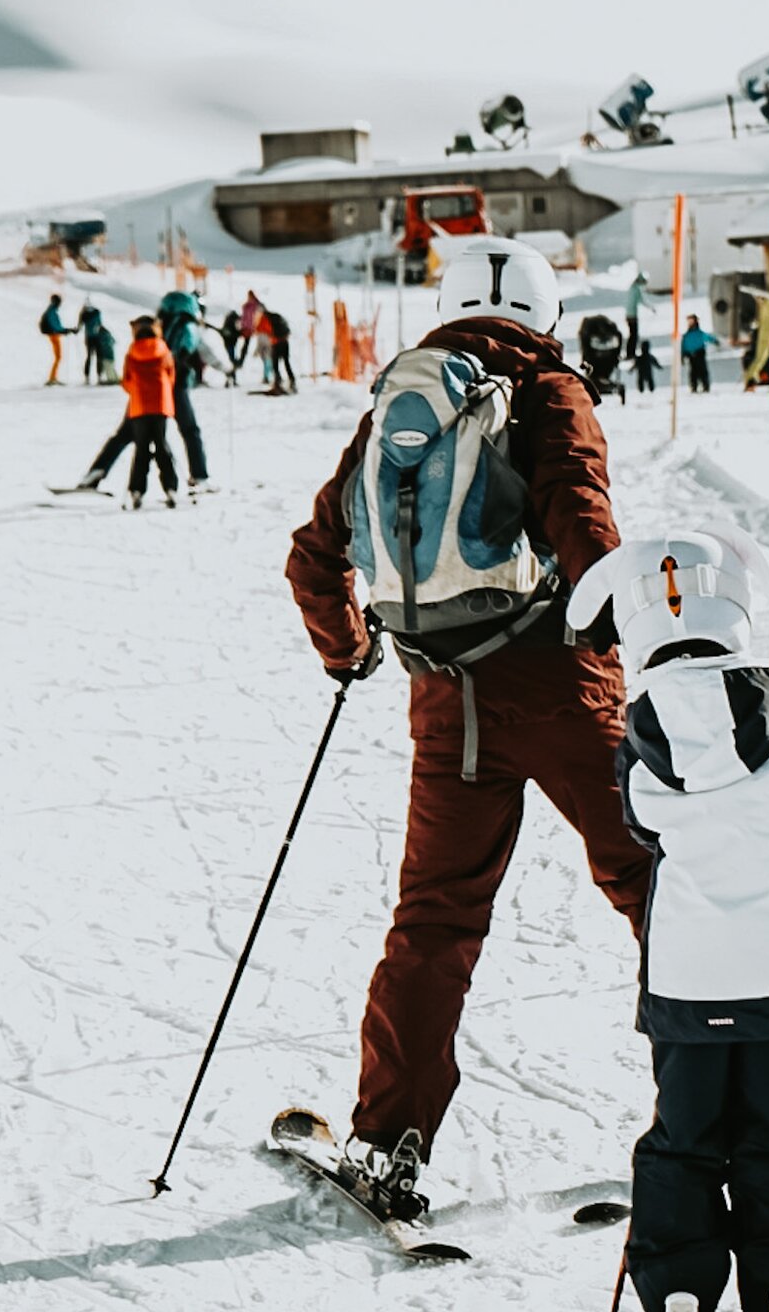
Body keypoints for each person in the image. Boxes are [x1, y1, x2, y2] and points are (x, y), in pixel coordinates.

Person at [284, 236, 652, 1217]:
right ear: (546, 315)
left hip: (448, 708)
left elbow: (314, 555)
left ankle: (384, 1143)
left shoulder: (398, 403)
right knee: (659, 881)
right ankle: (731, 1104)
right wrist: (635, 628)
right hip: (562, 690)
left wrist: (348, 646)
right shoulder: (544, 386)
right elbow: (578, 513)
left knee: (434, 921)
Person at [566, 526, 769, 1312]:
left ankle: (676, 1285)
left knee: (685, 1129)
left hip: (683, 975)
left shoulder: (639, 735)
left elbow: (641, 828)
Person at [121, 316, 179, 509]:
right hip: (161, 403)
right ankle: (171, 487)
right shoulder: (163, 349)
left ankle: (137, 489)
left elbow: (126, 381)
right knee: (162, 445)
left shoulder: (132, 352)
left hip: (139, 405)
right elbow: (171, 376)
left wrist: (136, 390)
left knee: (141, 448)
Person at [158, 290, 213, 489]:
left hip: (155, 383)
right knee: (191, 431)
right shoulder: (188, 326)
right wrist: (227, 369)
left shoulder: (163, 323)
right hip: (177, 384)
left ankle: (99, 471)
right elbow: (203, 350)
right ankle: (199, 475)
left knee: (137, 431)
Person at [40, 294, 73, 385]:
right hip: (54, 335)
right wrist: (64, 331)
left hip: (54, 335)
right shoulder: (52, 312)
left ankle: (53, 377)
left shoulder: (51, 310)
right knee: (58, 357)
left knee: (58, 357)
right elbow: (56, 326)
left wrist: (64, 331)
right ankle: (52, 378)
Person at [679, 314, 717, 394]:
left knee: (702, 371)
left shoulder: (699, 333)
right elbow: (683, 345)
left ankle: (705, 386)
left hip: (700, 353)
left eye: (691, 320)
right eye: (688, 321)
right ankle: (694, 387)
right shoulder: (686, 335)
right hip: (691, 355)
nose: (689, 322)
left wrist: (715, 341)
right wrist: (682, 356)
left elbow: (707, 337)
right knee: (693, 372)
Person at [268, 310, 297, 393]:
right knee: (286, 362)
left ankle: (278, 382)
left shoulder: (268, 319)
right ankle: (292, 380)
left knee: (275, 363)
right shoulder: (278, 318)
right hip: (285, 342)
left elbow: (265, 330)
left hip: (276, 343)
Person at [77, 301, 105, 385]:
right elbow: (100, 324)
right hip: (97, 337)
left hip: (89, 338)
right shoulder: (97, 312)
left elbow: (79, 327)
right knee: (99, 356)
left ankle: (87, 378)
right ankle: (99, 377)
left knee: (89, 357)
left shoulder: (83, 315)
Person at [625, 269, 648, 358]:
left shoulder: (632, 287)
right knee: (634, 335)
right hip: (632, 315)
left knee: (632, 334)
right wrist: (651, 308)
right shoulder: (636, 289)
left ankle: (630, 352)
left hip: (629, 314)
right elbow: (642, 300)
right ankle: (631, 353)